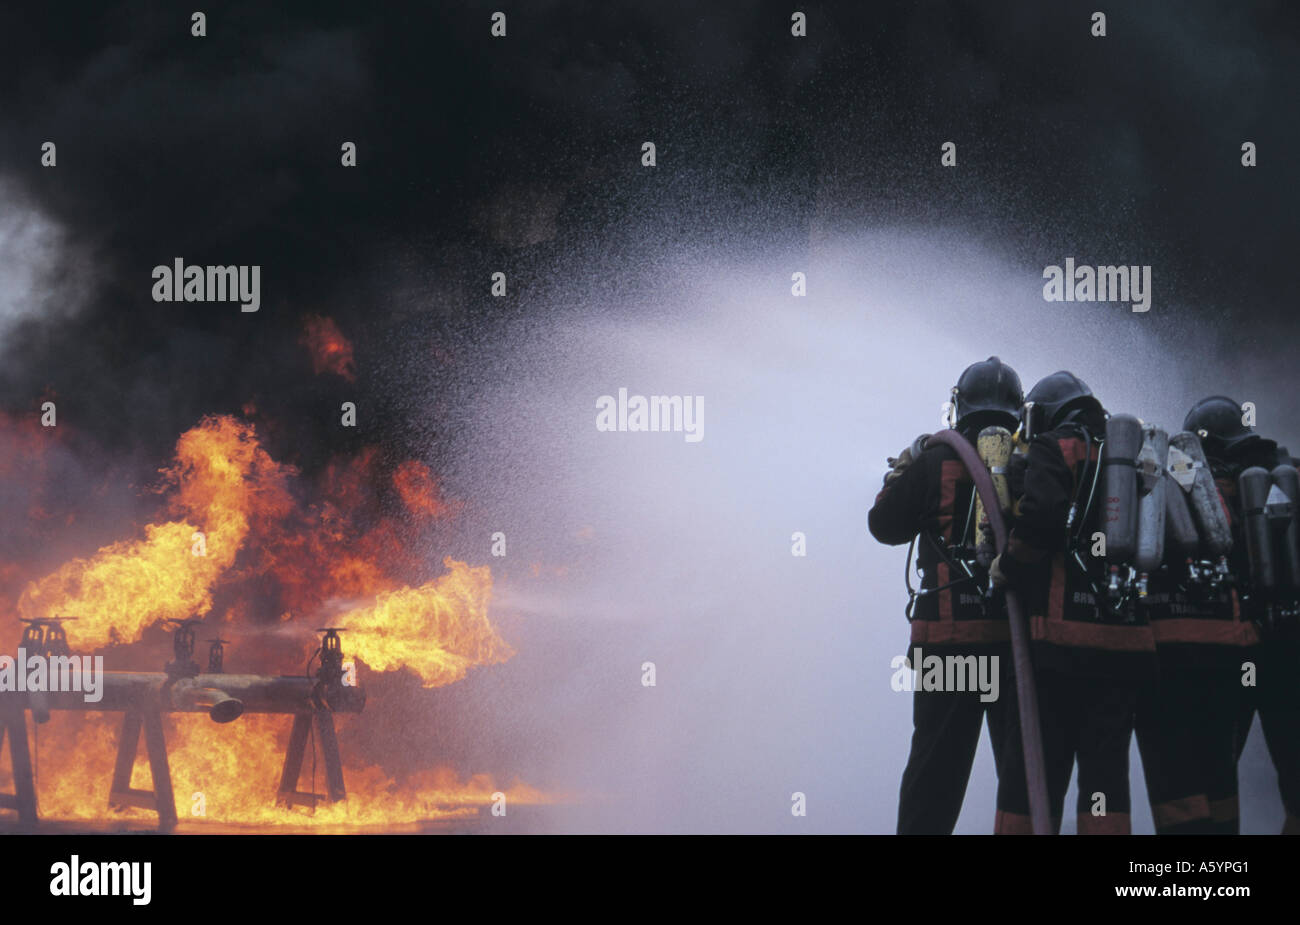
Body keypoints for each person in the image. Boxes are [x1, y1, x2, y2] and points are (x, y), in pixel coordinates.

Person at [991, 372, 1156, 834]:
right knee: (1105, 782)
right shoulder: (1138, 456)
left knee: (1033, 775)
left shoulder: (1057, 447)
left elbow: (1042, 519)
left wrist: (1011, 564)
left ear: (1045, 413)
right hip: (1126, 649)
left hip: (1061, 646)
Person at [869, 356, 1022, 834]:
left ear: (960, 405)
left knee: (934, 777)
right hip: (1012, 646)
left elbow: (884, 526)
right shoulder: (1031, 462)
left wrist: (900, 471)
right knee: (1022, 779)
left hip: (946, 645)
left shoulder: (935, 458)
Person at [1184, 395, 1300, 834]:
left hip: (1232, 651)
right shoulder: (1290, 476)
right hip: (1292, 644)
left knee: (1215, 771)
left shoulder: (1204, 484)